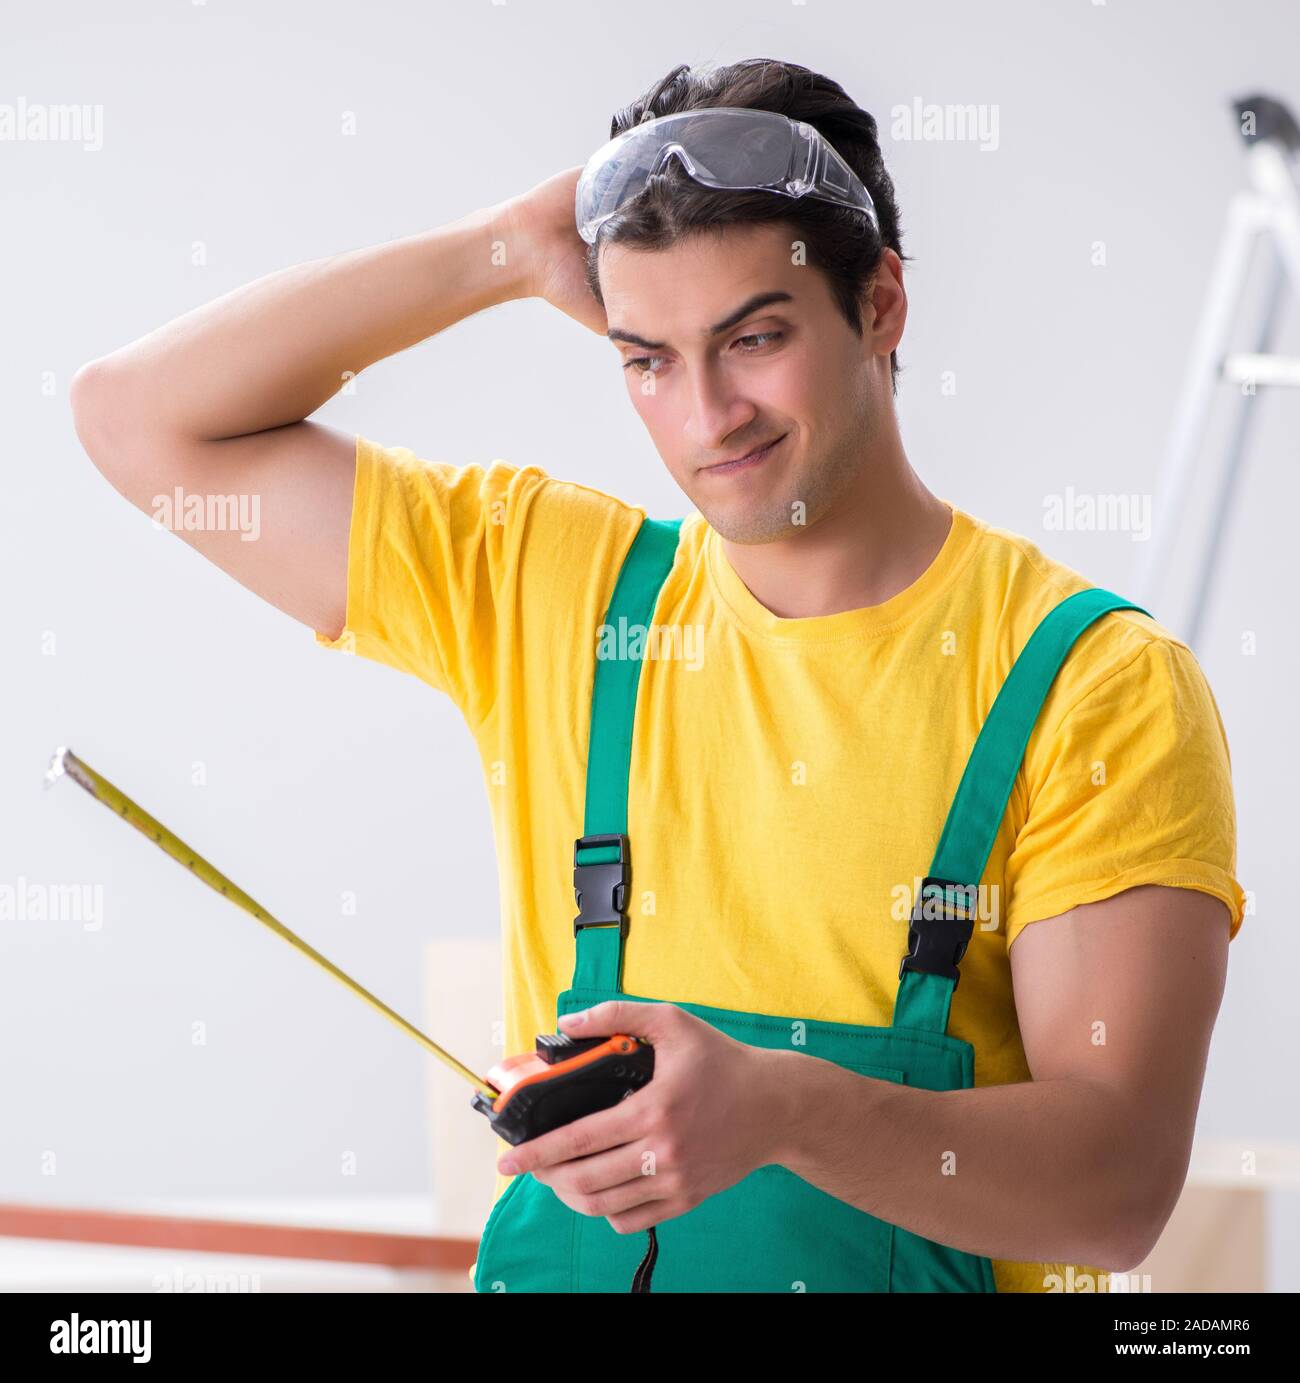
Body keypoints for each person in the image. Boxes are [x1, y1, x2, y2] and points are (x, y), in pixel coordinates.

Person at [70, 57, 1245, 1293]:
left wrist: (785, 1109)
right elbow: (137, 421)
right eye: (646, 358)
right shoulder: (546, 588)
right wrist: (511, 249)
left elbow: (1113, 1189)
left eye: (754, 338)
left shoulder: (1092, 683)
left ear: (882, 304)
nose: (705, 418)